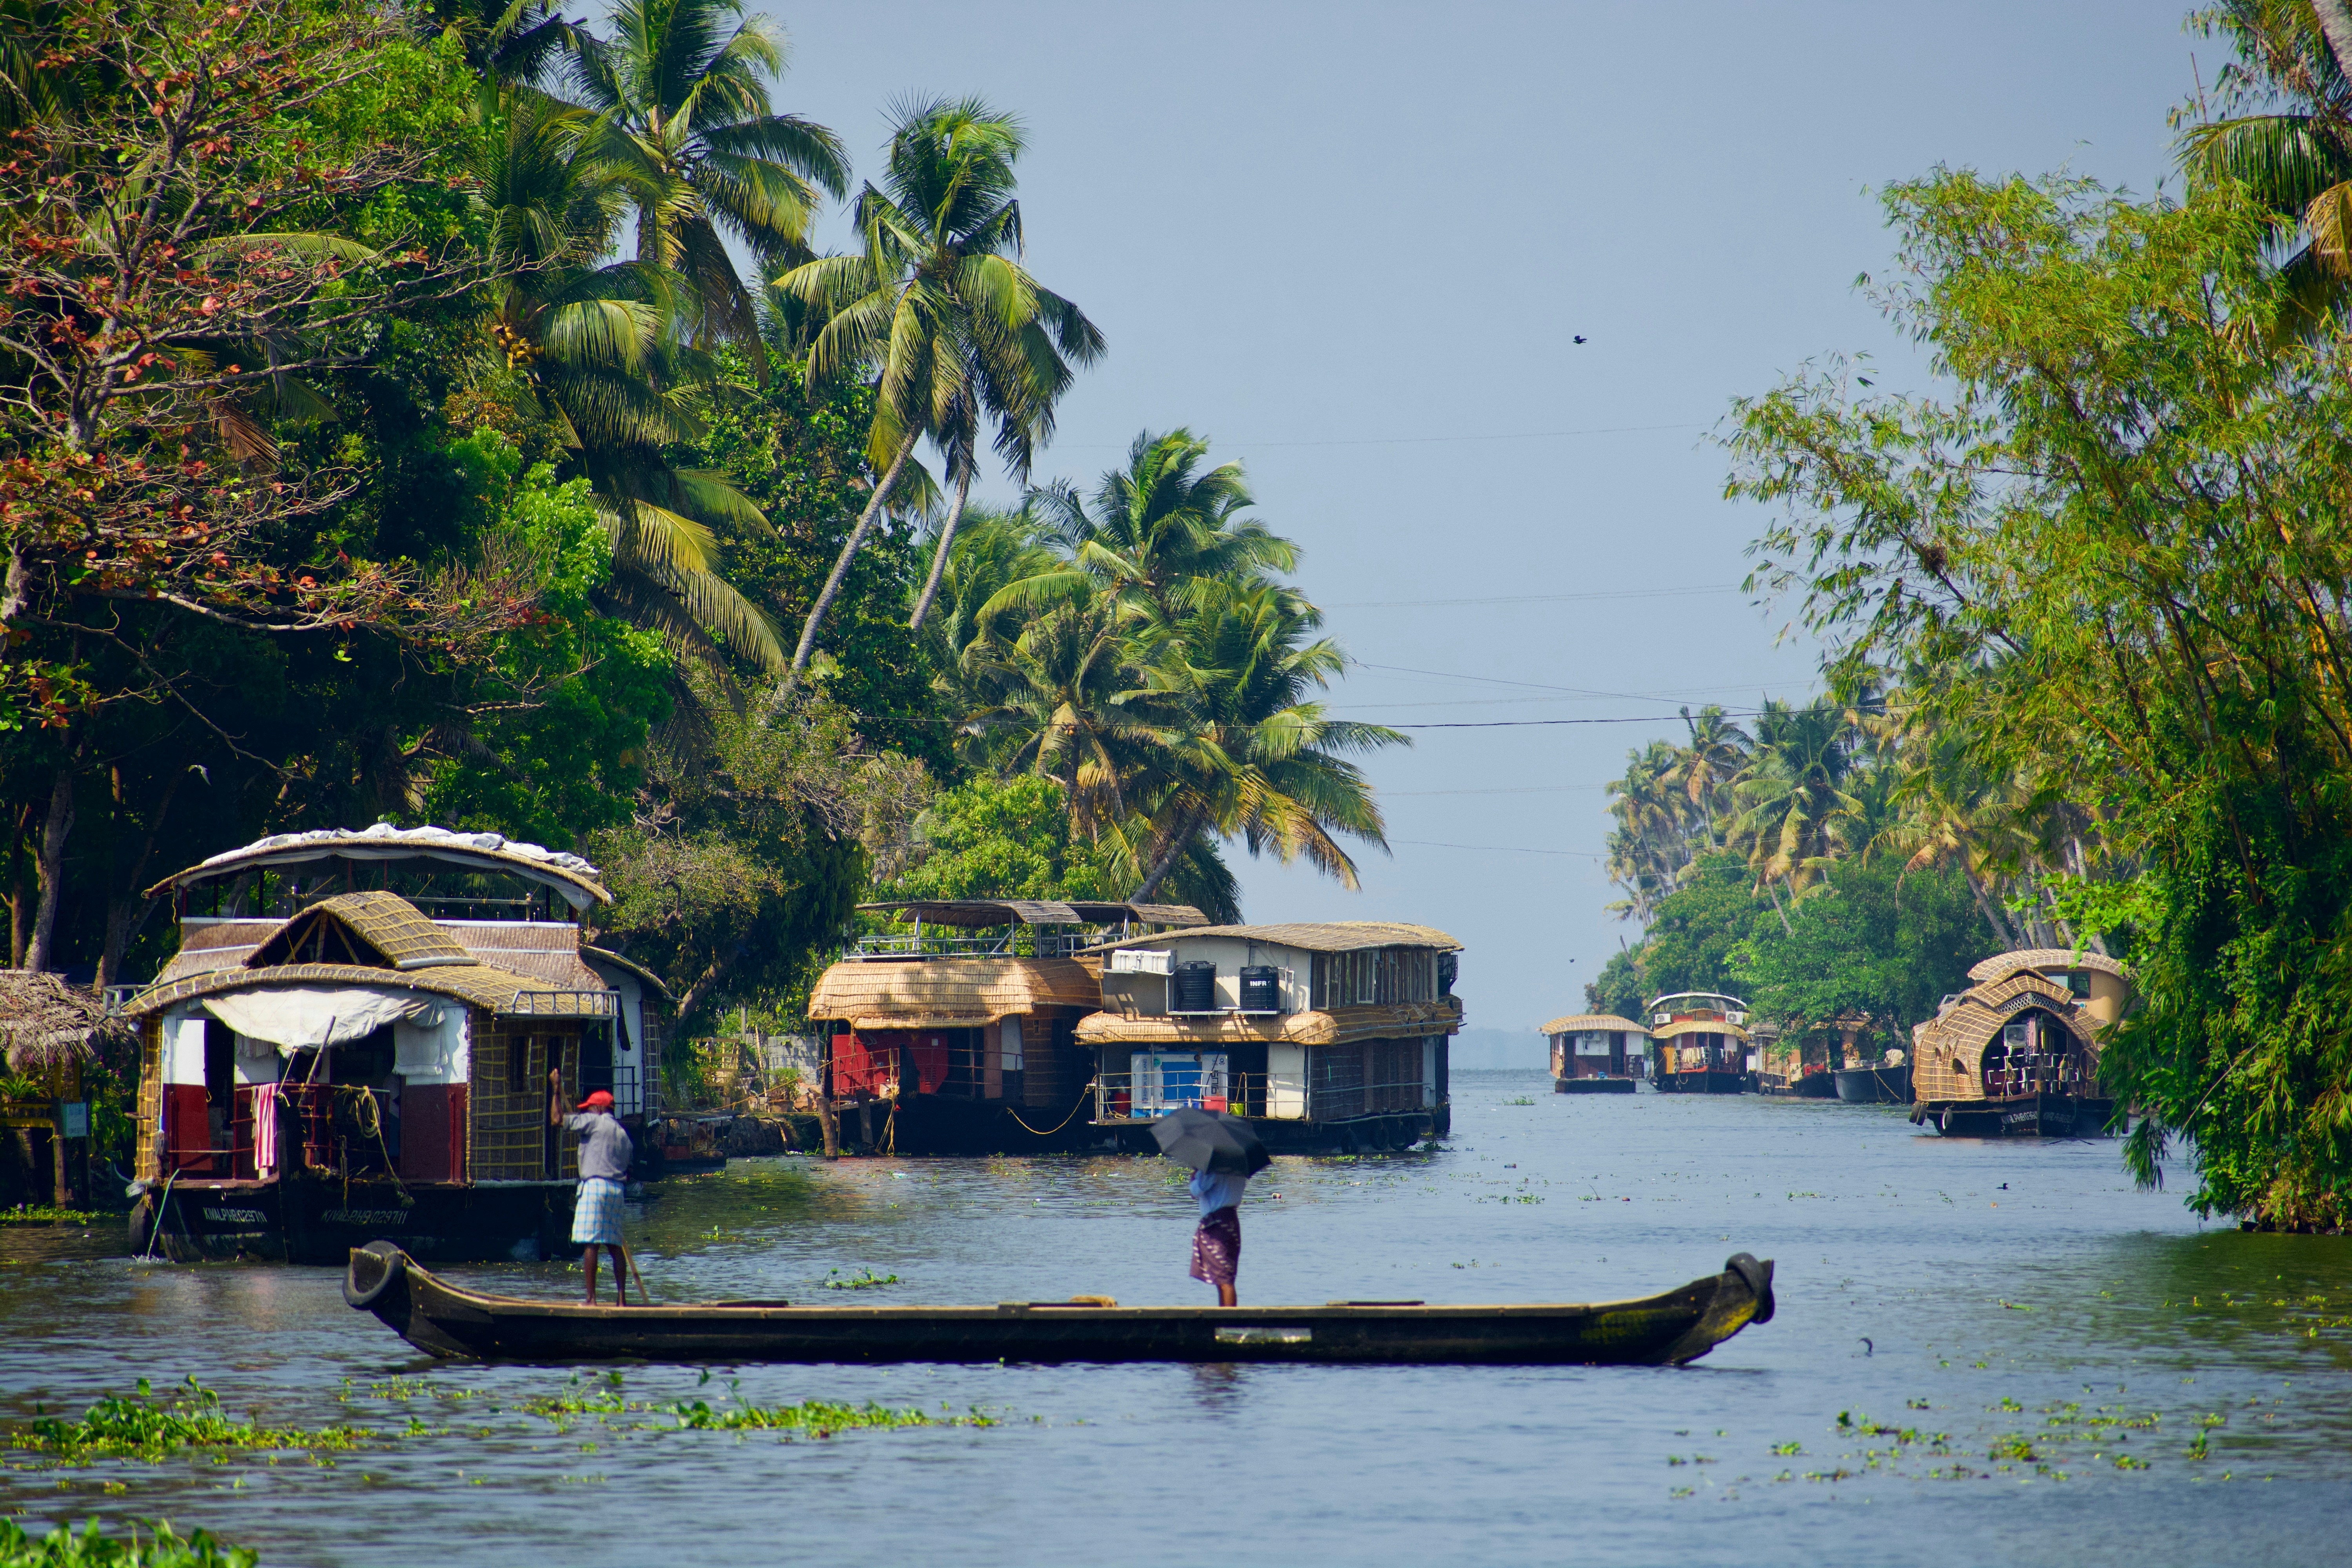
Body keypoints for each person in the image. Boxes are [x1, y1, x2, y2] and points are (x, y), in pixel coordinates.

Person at [550, 1071, 633, 1305]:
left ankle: (591, 1299)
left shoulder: (593, 1121)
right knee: (615, 1246)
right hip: (617, 1190)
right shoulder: (623, 1135)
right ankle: (621, 1300)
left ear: (598, 1109)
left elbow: (557, 1120)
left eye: (589, 1108)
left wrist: (556, 1089)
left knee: (591, 1242)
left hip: (595, 1187)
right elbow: (629, 1170)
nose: (586, 1111)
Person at [1188, 1162, 1249, 1307]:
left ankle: (1229, 1322)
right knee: (1224, 1276)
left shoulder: (1214, 1168)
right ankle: (1225, 1318)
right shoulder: (1238, 1167)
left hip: (1217, 1225)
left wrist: (1195, 1175)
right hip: (1231, 1221)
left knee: (1224, 1279)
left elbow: (1196, 1190)